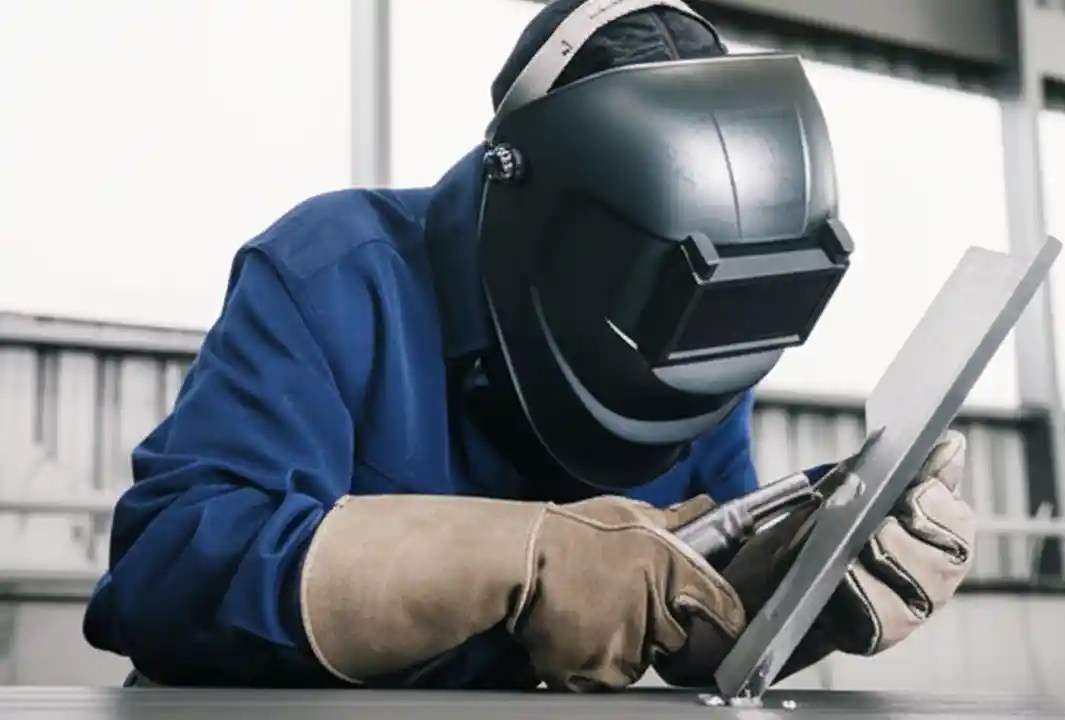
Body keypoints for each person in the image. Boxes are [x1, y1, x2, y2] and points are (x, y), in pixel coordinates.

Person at [83, 0, 976, 692]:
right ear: (547, 223)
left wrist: (786, 596)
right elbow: (168, 570)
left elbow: (690, 610)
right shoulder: (334, 274)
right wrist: (506, 559)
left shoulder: (696, 327)